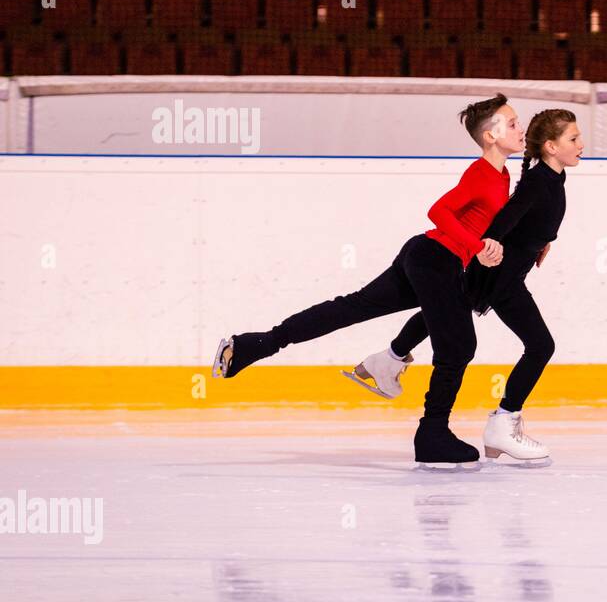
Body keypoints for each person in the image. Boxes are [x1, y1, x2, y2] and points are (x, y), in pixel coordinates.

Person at [212, 94, 521, 471]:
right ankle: (432, 435)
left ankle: (254, 345)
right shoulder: (481, 173)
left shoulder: (503, 175)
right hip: (435, 259)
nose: (521, 130)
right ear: (490, 135)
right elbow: (438, 211)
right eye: (513, 123)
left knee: (353, 307)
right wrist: (476, 246)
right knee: (458, 346)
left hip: (426, 257)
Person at [352, 109, 582, 468]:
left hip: (504, 276)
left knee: (443, 313)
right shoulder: (539, 182)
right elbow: (503, 220)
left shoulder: (552, 178)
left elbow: (526, 216)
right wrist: (487, 246)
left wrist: (541, 241)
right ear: (551, 146)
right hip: (499, 278)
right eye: (573, 139)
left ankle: (388, 359)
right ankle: (503, 423)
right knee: (539, 345)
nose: (581, 145)